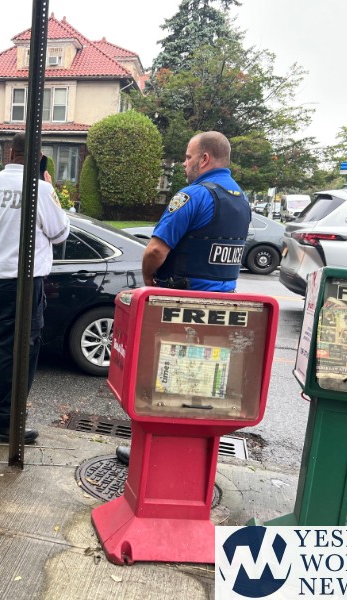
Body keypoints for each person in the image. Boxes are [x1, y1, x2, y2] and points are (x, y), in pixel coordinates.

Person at [117, 131, 251, 465]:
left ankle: (151, 453)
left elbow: (156, 249)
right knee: (203, 386)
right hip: (222, 311)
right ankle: (188, 454)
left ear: (205, 159)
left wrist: (149, 280)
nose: (185, 163)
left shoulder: (195, 196)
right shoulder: (240, 199)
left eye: (189, 157)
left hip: (181, 306)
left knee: (161, 380)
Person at [0, 133, 70, 444]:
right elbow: (60, 233)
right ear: (38, 158)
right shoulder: (41, 189)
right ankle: (2, 423)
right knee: (20, 352)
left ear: (10, 152)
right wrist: (49, 186)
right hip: (24, 285)